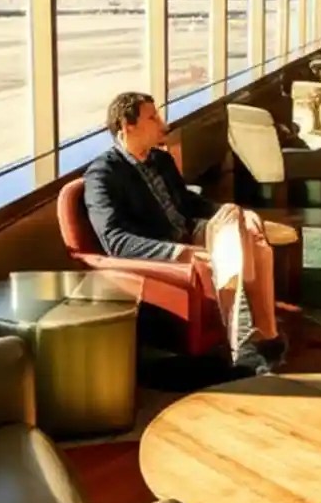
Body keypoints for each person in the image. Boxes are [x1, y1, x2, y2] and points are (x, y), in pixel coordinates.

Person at [82, 92, 284, 375]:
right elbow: (115, 240)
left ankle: (256, 338)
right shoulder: (103, 175)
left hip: (192, 232)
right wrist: (178, 251)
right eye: (152, 117)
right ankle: (252, 340)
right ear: (127, 127)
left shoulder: (160, 161)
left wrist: (234, 213)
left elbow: (191, 204)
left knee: (242, 224)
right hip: (165, 248)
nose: (162, 124)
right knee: (251, 248)